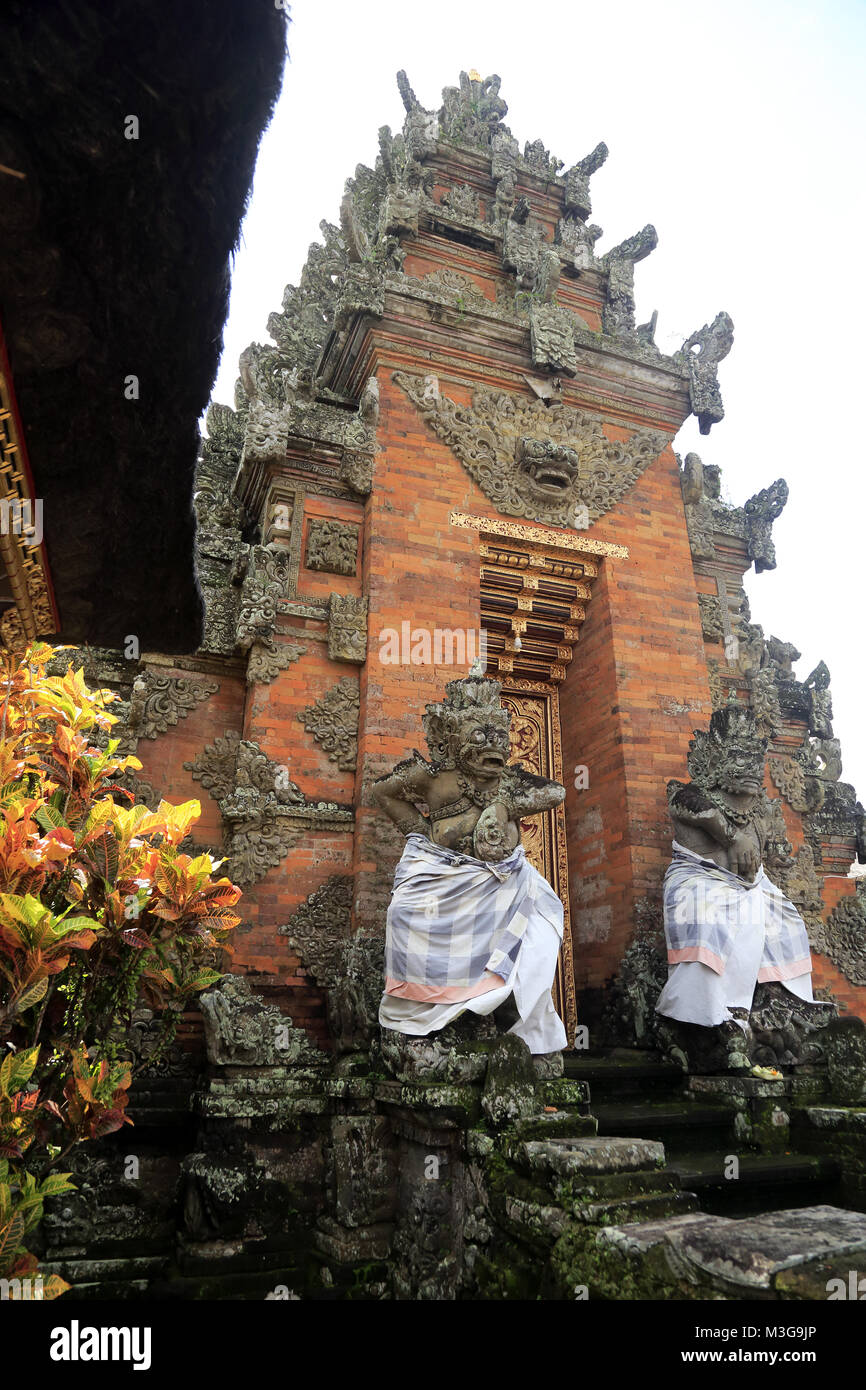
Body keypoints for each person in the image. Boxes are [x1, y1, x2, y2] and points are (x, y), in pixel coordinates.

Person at [370, 671, 567, 1054]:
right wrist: (420, 833)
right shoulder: (434, 778)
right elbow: (382, 791)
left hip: (501, 885)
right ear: (451, 739)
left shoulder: (509, 782)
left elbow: (556, 791)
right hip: (442, 877)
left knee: (537, 930)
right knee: (403, 914)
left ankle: (508, 1021)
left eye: (498, 736)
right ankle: (423, 1020)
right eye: (480, 735)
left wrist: (504, 804)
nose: (492, 744)